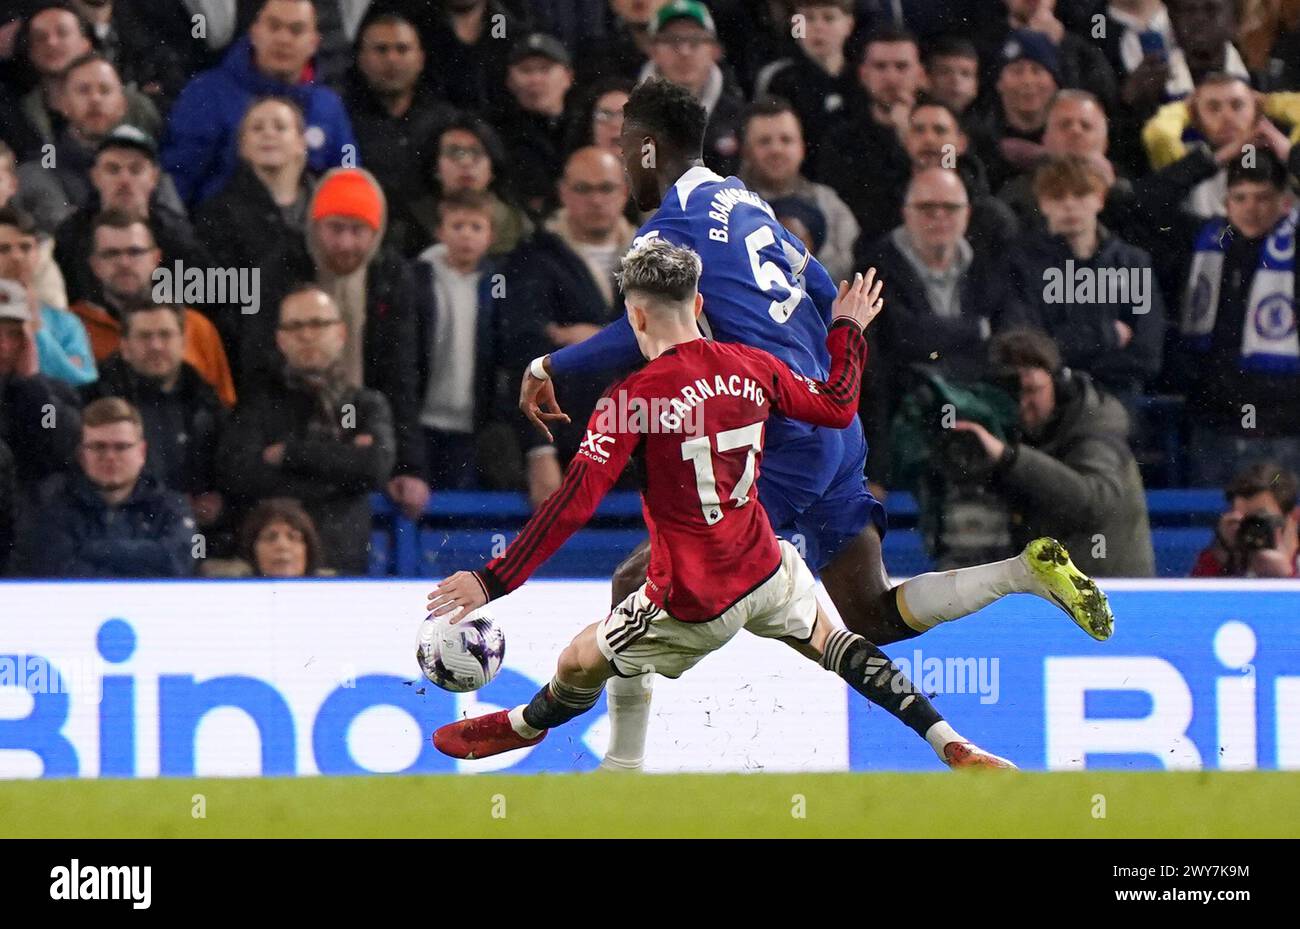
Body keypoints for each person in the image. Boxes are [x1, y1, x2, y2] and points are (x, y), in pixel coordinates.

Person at [518, 78, 1116, 772]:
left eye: (624, 148)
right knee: (868, 611)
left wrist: (550, 363)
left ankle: (619, 774)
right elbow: (830, 296)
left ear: (650, 148)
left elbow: (638, 329)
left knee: (635, 582)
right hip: (834, 422)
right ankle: (1021, 572)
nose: (621, 164)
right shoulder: (743, 199)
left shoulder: (669, 226)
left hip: (785, 438)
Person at [430, 241, 1013, 769]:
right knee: (838, 645)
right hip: (765, 563)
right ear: (700, 301)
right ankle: (948, 740)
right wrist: (848, 328)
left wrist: (494, 578)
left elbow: (574, 502)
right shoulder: (750, 365)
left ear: (635, 316)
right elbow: (837, 405)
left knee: (578, 660)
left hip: (692, 599)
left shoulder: (630, 399)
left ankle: (528, 727)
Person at [216, 285, 396, 575]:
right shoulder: (257, 405)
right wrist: (340, 470)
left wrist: (289, 454)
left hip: (342, 562)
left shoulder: (366, 404)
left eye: (318, 324)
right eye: (296, 326)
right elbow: (240, 474)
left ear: (340, 333)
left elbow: (374, 467)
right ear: (281, 339)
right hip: (270, 569)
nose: (307, 335)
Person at [951, 329, 1157, 578]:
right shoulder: (1003, 428)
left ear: (1058, 382)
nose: (1021, 404)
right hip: (1047, 586)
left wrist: (1010, 458)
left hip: (1111, 585)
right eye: (1011, 392)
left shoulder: (1095, 418)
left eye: (1031, 390)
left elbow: (1096, 502)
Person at [1173, 150, 1300, 485]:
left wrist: (1289, 153)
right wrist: (1213, 157)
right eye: (1240, 198)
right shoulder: (1203, 242)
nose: (1251, 208)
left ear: (1284, 202)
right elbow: (1147, 204)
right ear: (1226, 203)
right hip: (1214, 427)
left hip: (1284, 431)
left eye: (1263, 198)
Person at [162, 0, 358, 208]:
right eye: (274, 27)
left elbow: (349, 180)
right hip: (221, 232)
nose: (283, 39)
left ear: (313, 43)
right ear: (254, 32)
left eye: (296, 30)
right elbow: (177, 181)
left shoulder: (329, 106)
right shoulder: (205, 94)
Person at [1006, 154, 1166, 407]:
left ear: (1100, 199)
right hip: (1052, 401)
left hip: (1119, 401)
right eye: (1057, 197)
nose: (1069, 205)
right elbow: (1029, 350)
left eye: (1080, 195)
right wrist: (1109, 335)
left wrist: (1067, 350)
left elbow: (1147, 356)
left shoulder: (1134, 262)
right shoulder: (1021, 263)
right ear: (1043, 204)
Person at [11, 396, 196, 578]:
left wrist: (92, 549)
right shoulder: (50, 502)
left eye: (121, 447)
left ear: (142, 452)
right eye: (98, 447)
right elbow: (56, 570)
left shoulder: (172, 505)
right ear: (82, 454)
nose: (110, 457)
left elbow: (179, 561)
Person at [79, 303, 225, 531]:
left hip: (198, 537)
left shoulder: (208, 403)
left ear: (183, 343)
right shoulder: (90, 401)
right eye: (145, 337)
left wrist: (218, 501)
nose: (156, 346)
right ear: (125, 347)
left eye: (165, 335)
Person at [70, 211, 236, 406]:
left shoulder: (196, 327)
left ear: (156, 258)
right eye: (111, 254)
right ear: (95, 265)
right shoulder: (72, 329)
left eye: (135, 252)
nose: (124, 263)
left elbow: (224, 408)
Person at [412, 190, 509, 491]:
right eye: (457, 226)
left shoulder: (497, 285)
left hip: (471, 422)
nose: (466, 235)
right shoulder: (417, 278)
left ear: (490, 235)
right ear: (440, 231)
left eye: (476, 227)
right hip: (423, 418)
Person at [53, 124, 206, 306]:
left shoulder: (179, 236)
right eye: (113, 169)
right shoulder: (70, 235)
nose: (124, 180)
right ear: (95, 177)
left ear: (154, 178)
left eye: (136, 170)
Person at [737, 96, 859, 283]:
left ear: (802, 147)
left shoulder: (830, 204)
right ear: (745, 151)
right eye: (764, 141)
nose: (776, 149)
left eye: (786, 140)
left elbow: (849, 273)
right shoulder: (727, 205)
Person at [193, 96, 315, 277]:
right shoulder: (218, 213)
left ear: (301, 143)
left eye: (280, 127)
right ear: (242, 146)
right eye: (257, 128)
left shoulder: (326, 203)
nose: (268, 134)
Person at [752, 0, 859, 169]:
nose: (818, 27)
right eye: (808, 18)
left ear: (849, 24)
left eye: (829, 18)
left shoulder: (864, 76)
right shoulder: (779, 79)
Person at [0, 210, 96, 388]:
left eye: (25, 247)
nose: (17, 257)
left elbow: (81, 382)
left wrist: (36, 327)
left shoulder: (66, 324)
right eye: (3, 249)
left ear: (37, 254)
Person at [1191, 461, 1299, 577]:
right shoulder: (1231, 559)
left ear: (1292, 517)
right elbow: (1194, 592)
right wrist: (1222, 551)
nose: (1252, 526)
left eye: (1261, 518)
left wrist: (1286, 578)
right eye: (1245, 519)